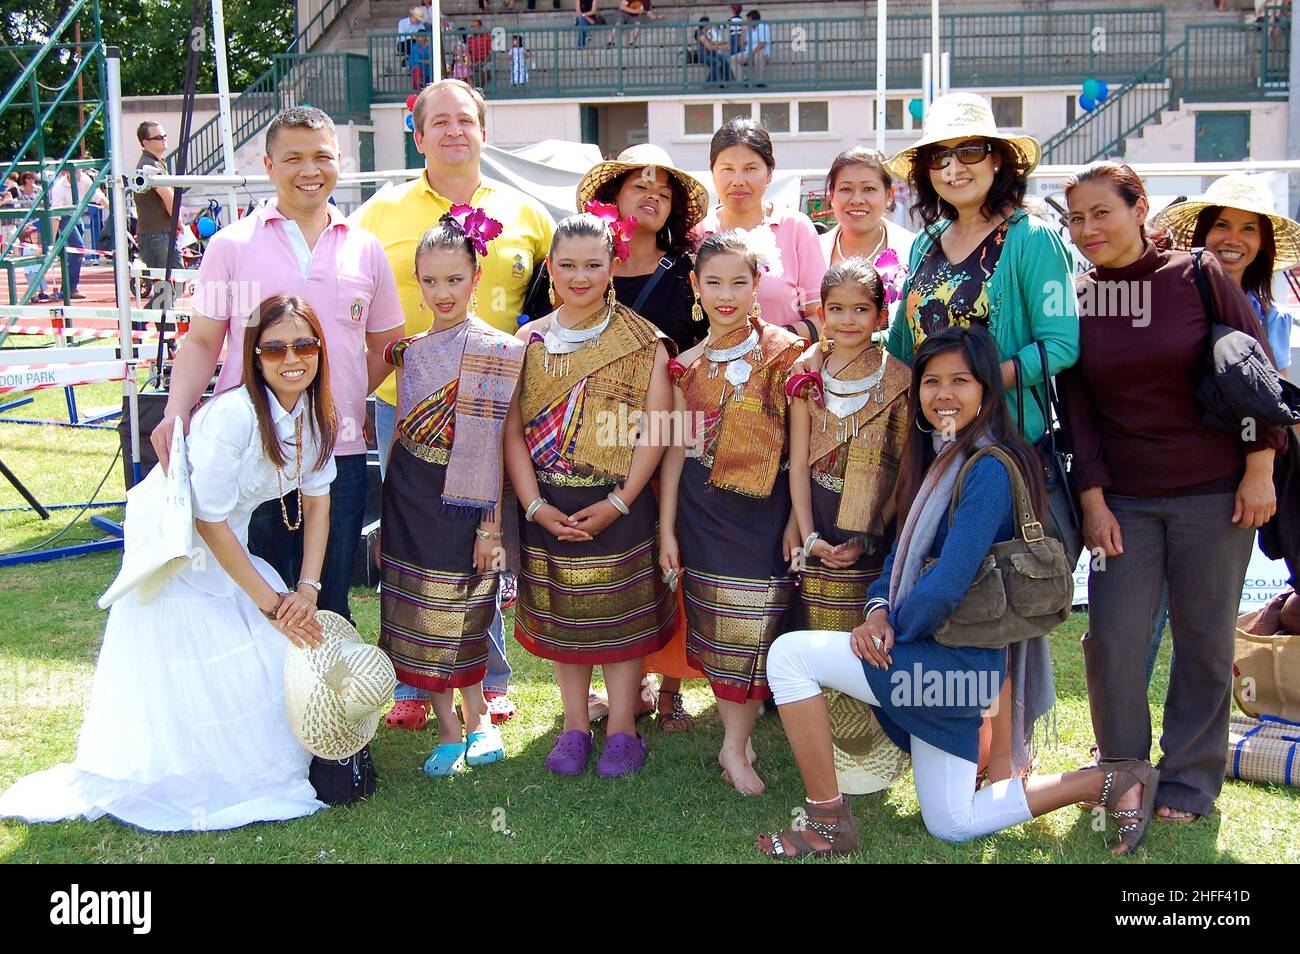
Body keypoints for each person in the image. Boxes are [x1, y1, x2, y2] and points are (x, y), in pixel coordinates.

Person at [759, 324, 1159, 858]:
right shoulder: (940, 458)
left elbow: (947, 581)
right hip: (952, 671)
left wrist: (889, 630)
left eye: (960, 381)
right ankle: (1109, 781)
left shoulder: (988, 467)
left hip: (949, 664)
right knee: (951, 822)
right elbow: (900, 555)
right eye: (930, 382)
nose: (943, 394)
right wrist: (878, 608)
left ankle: (828, 822)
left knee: (788, 656)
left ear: (987, 390)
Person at [0, 294, 337, 832]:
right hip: (176, 546)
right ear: (253, 356)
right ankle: (200, 774)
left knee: (259, 655)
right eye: (274, 348)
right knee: (202, 660)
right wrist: (273, 602)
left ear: (320, 350)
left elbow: (318, 502)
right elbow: (206, 522)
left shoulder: (318, 416)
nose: (291, 357)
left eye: (304, 344)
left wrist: (308, 588)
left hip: (229, 543)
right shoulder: (233, 417)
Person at [1060, 160, 1286, 825]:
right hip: (1124, 501)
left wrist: (1258, 464)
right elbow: (1078, 411)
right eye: (1075, 217)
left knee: (1205, 644)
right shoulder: (1075, 296)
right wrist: (1094, 498)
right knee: (1112, 643)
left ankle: (1188, 784)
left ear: (1139, 209)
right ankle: (1124, 773)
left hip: (1217, 496)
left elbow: (1252, 370)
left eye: (1102, 211)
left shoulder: (1196, 274)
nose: (1087, 228)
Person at [150, 107, 406, 629]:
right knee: (253, 598)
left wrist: (338, 401)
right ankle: (261, 708)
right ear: (269, 165)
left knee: (328, 598)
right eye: (293, 158)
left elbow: (386, 341)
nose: (309, 170)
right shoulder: (230, 245)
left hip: (341, 450)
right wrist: (176, 411)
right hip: (251, 452)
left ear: (340, 162)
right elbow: (202, 339)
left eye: (321, 157)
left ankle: (326, 708)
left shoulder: (365, 248)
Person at [885, 92, 1078, 781]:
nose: (956, 166)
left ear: (999, 161)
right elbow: (905, 343)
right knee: (951, 593)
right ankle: (960, 746)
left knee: (998, 597)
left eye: (972, 151)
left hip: (1003, 451)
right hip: (932, 449)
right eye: (942, 155)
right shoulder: (925, 244)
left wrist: (976, 386)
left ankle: (1009, 758)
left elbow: (1060, 344)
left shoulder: (1033, 240)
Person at [352, 79, 556, 729]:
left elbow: (562, 306)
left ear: (484, 131)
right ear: (417, 136)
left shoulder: (528, 215)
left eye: (464, 120)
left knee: (482, 541)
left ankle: (489, 678)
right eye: (437, 122)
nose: (452, 132)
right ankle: (413, 683)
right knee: (411, 540)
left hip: (499, 407)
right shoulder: (379, 213)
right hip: (404, 408)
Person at [505, 212, 675, 778]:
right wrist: (534, 505)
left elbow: (657, 427)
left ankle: (623, 727)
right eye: (568, 265)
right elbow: (511, 431)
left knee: (622, 620)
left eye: (593, 265)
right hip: (547, 502)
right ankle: (574, 725)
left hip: (620, 501)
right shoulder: (526, 343)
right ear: (549, 267)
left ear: (614, 267)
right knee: (565, 615)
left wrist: (621, 500)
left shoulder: (645, 341)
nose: (581, 277)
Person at [380, 209, 525, 778]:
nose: (443, 292)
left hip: (465, 502)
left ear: (475, 276)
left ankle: (480, 718)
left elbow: (491, 445)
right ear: (418, 281)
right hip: (409, 495)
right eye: (431, 280)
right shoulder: (410, 351)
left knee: (466, 609)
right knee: (420, 611)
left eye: (454, 279)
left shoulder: (497, 347)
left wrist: (491, 525)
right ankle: (446, 726)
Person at [659, 230, 804, 794]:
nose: (726, 294)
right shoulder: (684, 366)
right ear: (694, 286)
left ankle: (746, 740)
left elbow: (799, 450)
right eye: (712, 282)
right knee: (722, 628)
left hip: (766, 511)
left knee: (760, 626)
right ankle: (733, 746)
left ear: (756, 284)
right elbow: (675, 451)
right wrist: (667, 527)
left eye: (738, 282)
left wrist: (796, 520)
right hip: (702, 510)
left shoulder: (787, 353)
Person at [577, 144, 710, 728]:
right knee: (611, 556)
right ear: (614, 196)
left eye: (665, 188)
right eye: (639, 185)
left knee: (670, 544)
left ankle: (673, 684)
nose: (652, 195)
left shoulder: (689, 272)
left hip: (676, 429)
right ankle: (613, 676)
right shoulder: (585, 263)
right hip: (593, 439)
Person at [1153, 173, 1300, 380]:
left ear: (1262, 243)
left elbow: (1279, 397)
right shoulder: (1168, 301)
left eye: (1248, 229)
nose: (1233, 240)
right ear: (1204, 232)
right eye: (1221, 225)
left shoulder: (1272, 319)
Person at [690, 117, 825, 340]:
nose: (738, 180)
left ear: (769, 173)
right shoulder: (698, 234)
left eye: (750, 169)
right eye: (727, 169)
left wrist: (771, 341)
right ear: (712, 172)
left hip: (787, 366)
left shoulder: (796, 228)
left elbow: (822, 317)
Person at [49, 165, 108, 300]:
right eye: (76, 172)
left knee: (74, 253)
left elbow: (98, 197)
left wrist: (115, 210)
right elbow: (56, 216)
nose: (80, 175)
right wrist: (52, 242)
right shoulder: (59, 188)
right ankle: (71, 288)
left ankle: (67, 287)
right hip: (64, 216)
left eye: (81, 171)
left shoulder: (85, 179)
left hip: (77, 214)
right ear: (66, 173)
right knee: (79, 249)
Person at [134, 122, 181, 270]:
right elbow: (168, 197)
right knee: (169, 282)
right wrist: (178, 222)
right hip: (157, 234)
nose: (164, 139)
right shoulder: (149, 166)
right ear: (145, 142)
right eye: (159, 137)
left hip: (159, 232)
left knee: (174, 280)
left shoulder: (155, 163)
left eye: (164, 136)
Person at [730, 10, 770, 87]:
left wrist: (751, 55)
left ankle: (759, 82)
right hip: (748, 53)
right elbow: (741, 45)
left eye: (748, 20)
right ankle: (744, 80)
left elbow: (762, 45)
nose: (747, 22)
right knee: (733, 58)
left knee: (758, 55)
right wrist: (743, 31)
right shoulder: (748, 29)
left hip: (762, 53)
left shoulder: (764, 27)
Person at [695, 17, 731, 84]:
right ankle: (708, 82)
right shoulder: (701, 35)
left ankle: (725, 82)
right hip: (705, 56)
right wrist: (722, 46)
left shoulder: (707, 33)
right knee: (717, 63)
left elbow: (713, 43)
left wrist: (723, 44)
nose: (710, 24)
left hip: (712, 54)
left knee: (724, 60)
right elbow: (709, 47)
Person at [467, 18, 493, 87]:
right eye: (472, 26)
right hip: (472, 62)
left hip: (484, 61)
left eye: (475, 26)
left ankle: (477, 87)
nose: (473, 28)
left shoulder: (486, 37)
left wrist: (487, 58)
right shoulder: (469, 39)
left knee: (487, 68)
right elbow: (467, 53)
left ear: (480, 27)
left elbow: (490, 51)